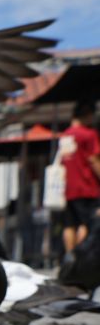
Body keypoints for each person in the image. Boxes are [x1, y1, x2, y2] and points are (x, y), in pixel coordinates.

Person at [61, 101, 100, 253]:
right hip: (87, 187)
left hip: (68, 189)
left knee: (69, 224)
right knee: (87, 224)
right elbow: (94, 160)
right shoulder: (88, 134)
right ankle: (80, 258)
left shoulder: (65, 136)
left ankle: (69, 258)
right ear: (88, 115)